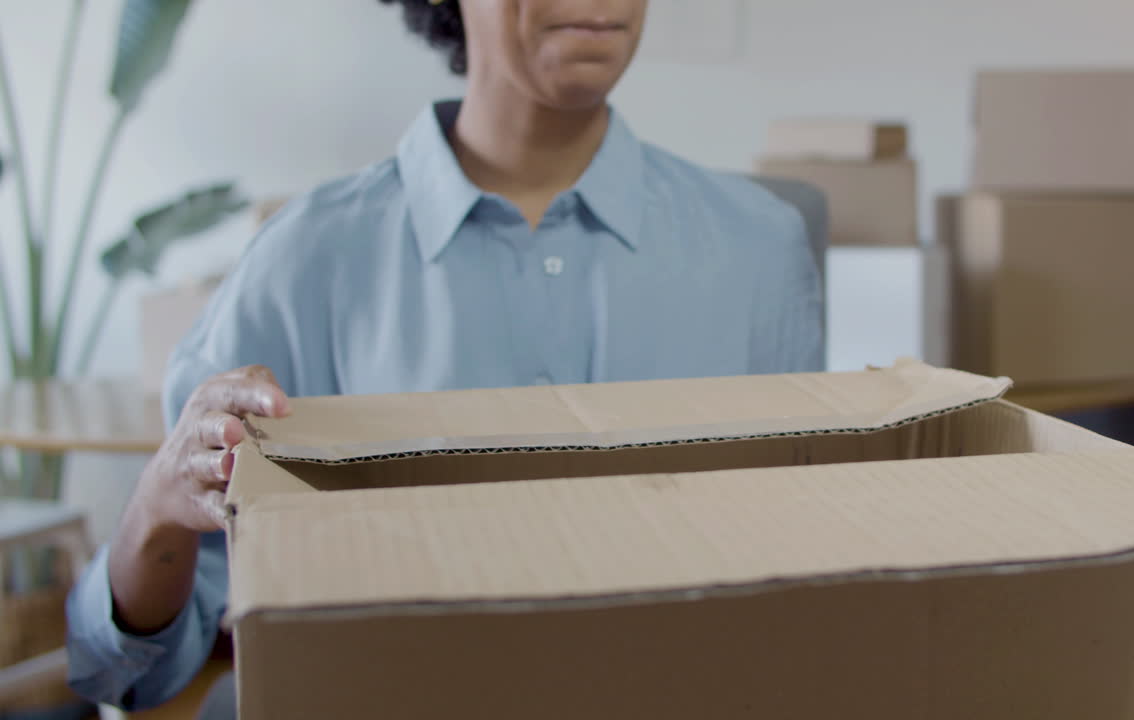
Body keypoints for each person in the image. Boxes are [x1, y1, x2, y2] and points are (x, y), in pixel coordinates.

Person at [63, 0, 822, 714]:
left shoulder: (760, 252)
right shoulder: (307, 261)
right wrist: (158, 510)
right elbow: (129, 672)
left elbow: (815, 582)